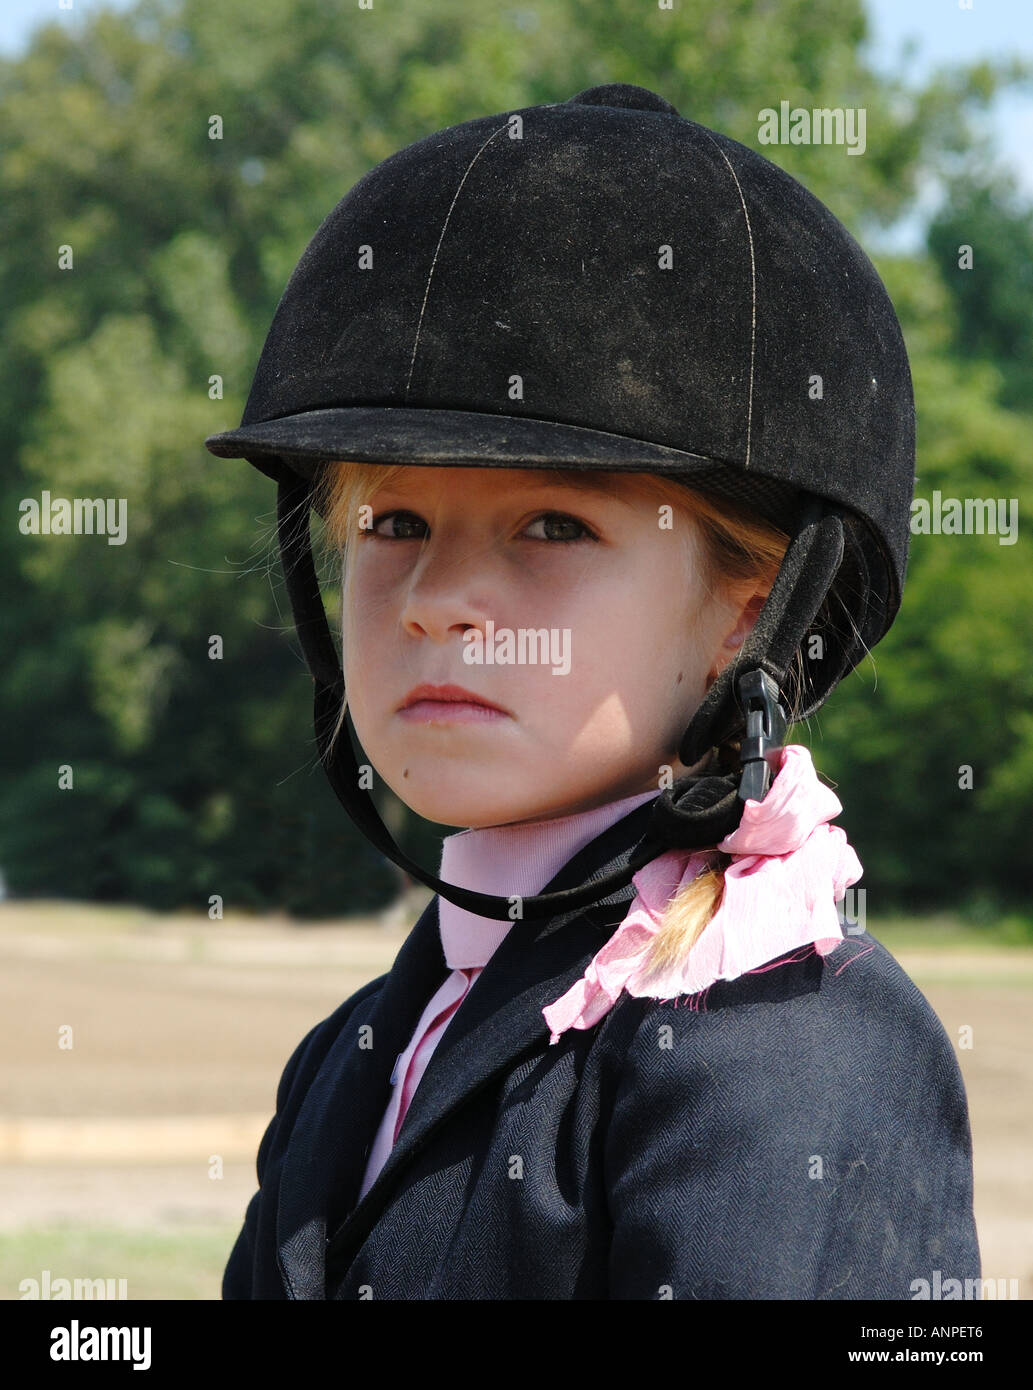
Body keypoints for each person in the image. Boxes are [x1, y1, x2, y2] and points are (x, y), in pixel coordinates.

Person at [205, 83, 979, 1299]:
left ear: (749, 607)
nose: (435, 598)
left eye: (553, 524)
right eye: (394, 518)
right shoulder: (361, 1044)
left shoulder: (794, 1046)